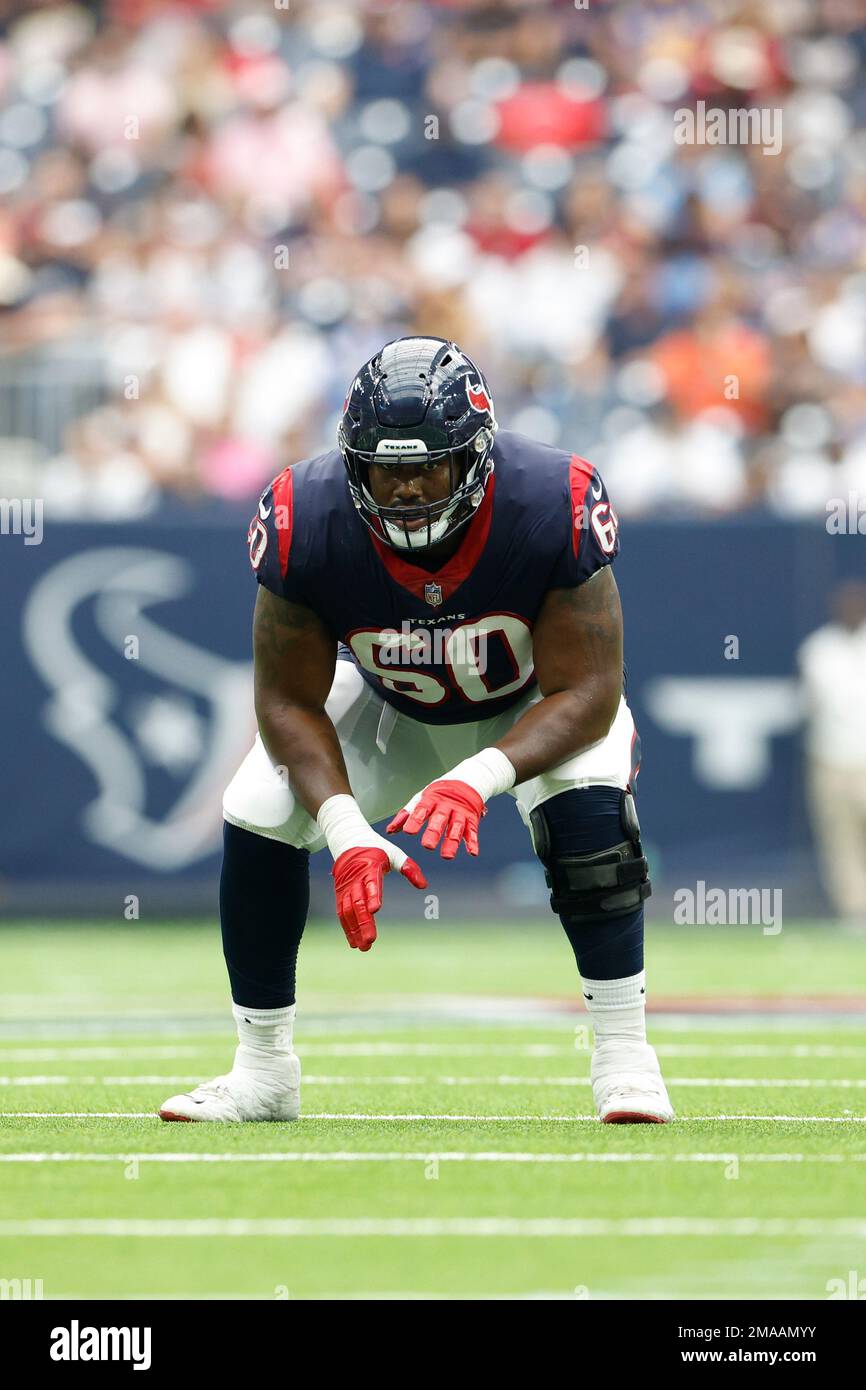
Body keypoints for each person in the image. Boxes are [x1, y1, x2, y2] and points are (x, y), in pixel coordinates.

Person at [159, 336, 673, 1125]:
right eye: (383, 468)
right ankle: (263, 1070)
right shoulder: (307, 514)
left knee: (590, 813)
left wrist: (479, 777)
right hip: (392, 709)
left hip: (533, 704)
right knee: (257, 807)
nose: (404, 489)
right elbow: (287, 701)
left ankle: (624, 1055)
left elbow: (592, 690)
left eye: (427, 465)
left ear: (476, 456)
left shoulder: (549, 499)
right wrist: (341, 825)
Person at [798, 580, 866, 924]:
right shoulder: (819, 649)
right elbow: (817, 705)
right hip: (831, 759)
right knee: (840, 838)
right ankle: (854, 911)